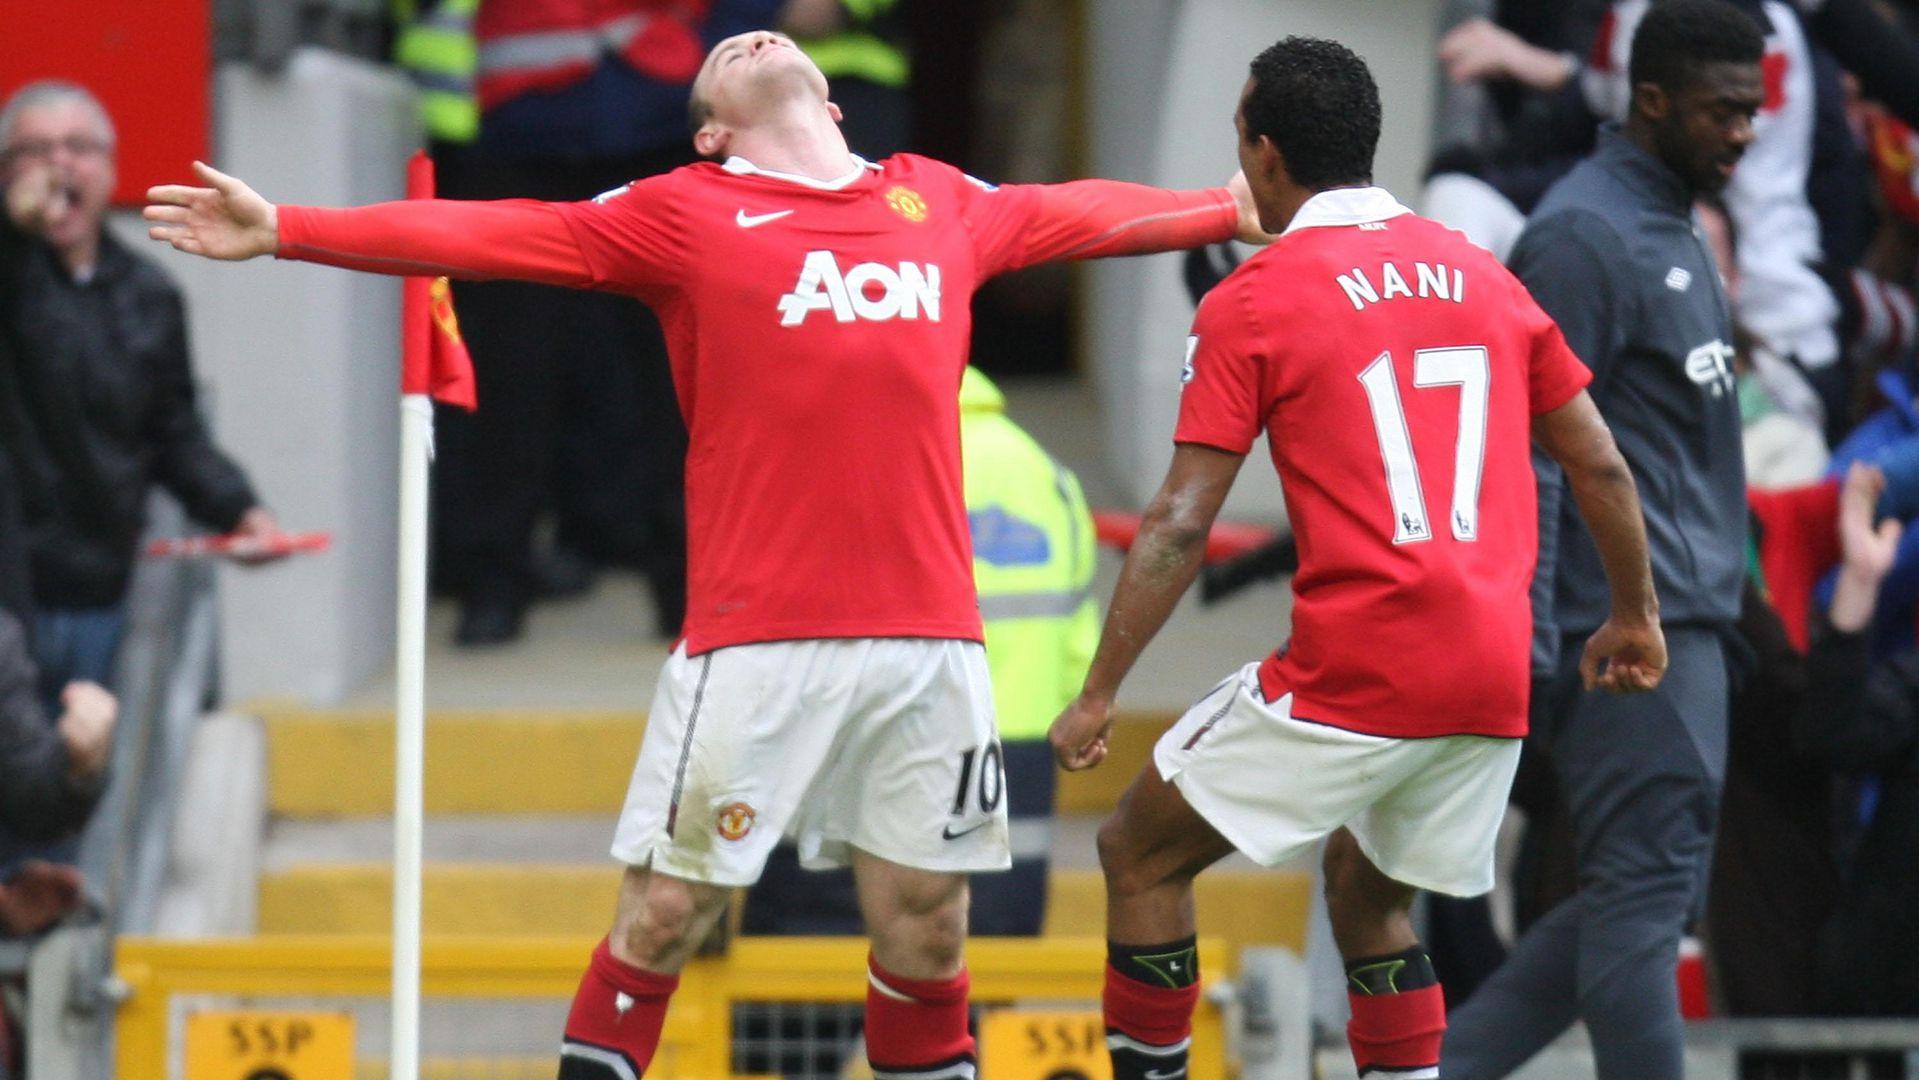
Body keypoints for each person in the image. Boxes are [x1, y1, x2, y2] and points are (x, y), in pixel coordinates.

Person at [145, 28, 1265, 1079]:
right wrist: (287, 227)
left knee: (929, 926)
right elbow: (496, 233)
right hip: (756, 638)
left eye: (769, 38)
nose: (753, 37)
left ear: (832, 104)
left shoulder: (936, 199)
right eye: (723, 57)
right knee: (667, 913)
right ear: (711, 134)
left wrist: (1225, 206)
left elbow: (1075, 212)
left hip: (930, 643)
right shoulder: (683, 212)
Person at [1047, 36, 1664, 1080]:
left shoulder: (1254, 296)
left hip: (1361, 665)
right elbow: (1599, 463)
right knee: (1366, 893)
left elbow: (1179, 523)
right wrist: (1633, 614)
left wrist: (1100, 690)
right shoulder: (1483, 276)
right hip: (1488, 676)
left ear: (1264, 152)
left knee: (1137, 853)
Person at [1440, 4, 1764, 1077]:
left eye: (1753, 111)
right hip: (1625, 635)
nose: (1742, 133)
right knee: (1639, 907)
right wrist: (1536, 644)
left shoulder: (1667, 217)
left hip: (1687, 623)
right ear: (1652, 100)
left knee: (1630, 900)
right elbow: (1525, 451)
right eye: (1722, 111)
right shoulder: (1583, 238)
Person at [0, 81, 283, 709]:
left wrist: (238, 509)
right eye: (35, 150)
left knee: (84, 755)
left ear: (110, 168)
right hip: (9, 597)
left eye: (78, 147)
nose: (59, 164)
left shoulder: (147, 294)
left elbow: (172, 431)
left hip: (99, 593)